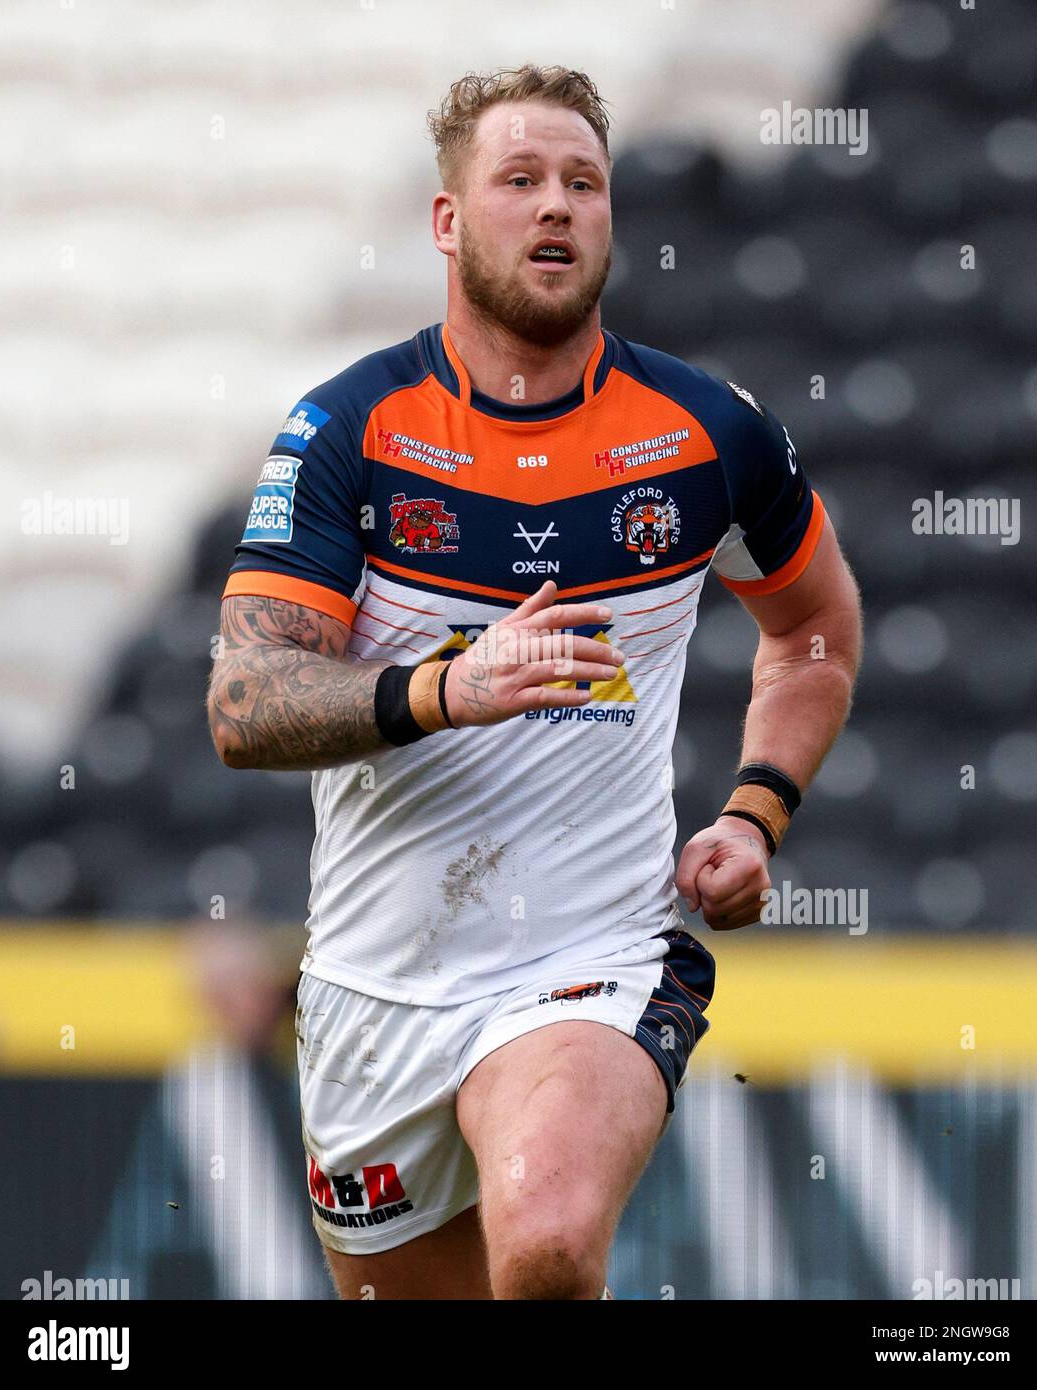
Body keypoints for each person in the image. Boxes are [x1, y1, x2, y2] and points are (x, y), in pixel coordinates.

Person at [206, 64, 862, 1300]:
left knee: (549, 1235)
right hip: (374, 988)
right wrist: (439, 690)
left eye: (582, 183)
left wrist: (753, 806)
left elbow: (812, 625)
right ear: (448, 223)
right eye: (519, 181)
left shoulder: (707, 433)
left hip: (591, 957)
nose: (556, 207)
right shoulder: (350, 434)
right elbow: (243, 703)